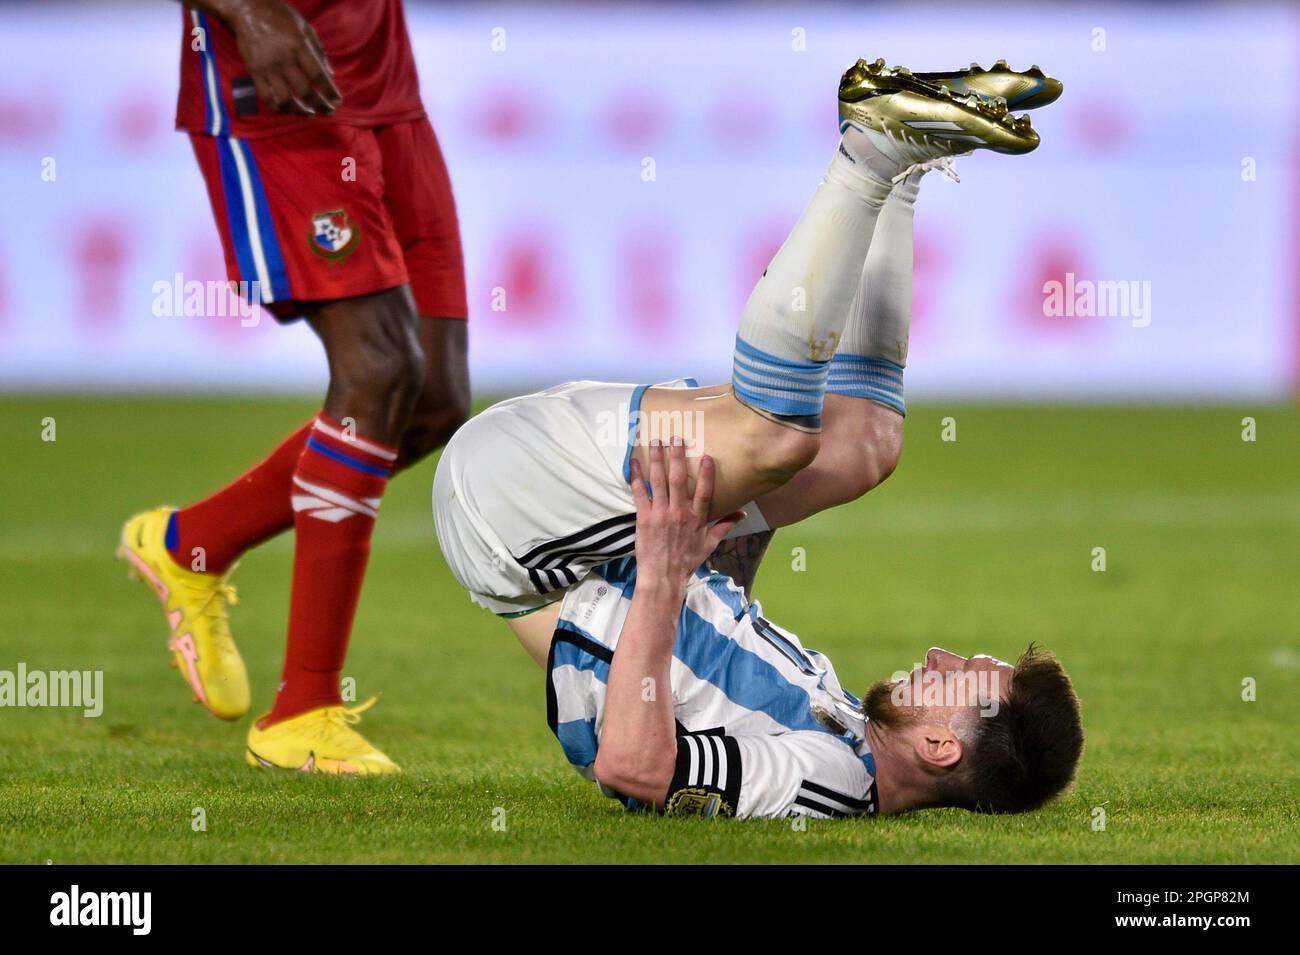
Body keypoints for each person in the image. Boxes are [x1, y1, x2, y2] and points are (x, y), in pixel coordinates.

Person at [433, 59, 1082, 817]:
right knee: (866, 444)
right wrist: (739, 509)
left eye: (958, 673)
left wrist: (669, 570)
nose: (938, 654)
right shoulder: (838, 722)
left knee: (776, 439)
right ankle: (909, 165)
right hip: (566, 529)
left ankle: (873, 152)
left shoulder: (828, 780)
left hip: (513, 518)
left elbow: (634, 769)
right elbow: (693, 651)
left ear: (942, 747)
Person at [118, 0, 469, 774]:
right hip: (276, 79)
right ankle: (302, 710)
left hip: (385, 89)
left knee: (436, 397)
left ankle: (191, 543)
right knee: (379, 368)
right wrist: (251, 14)